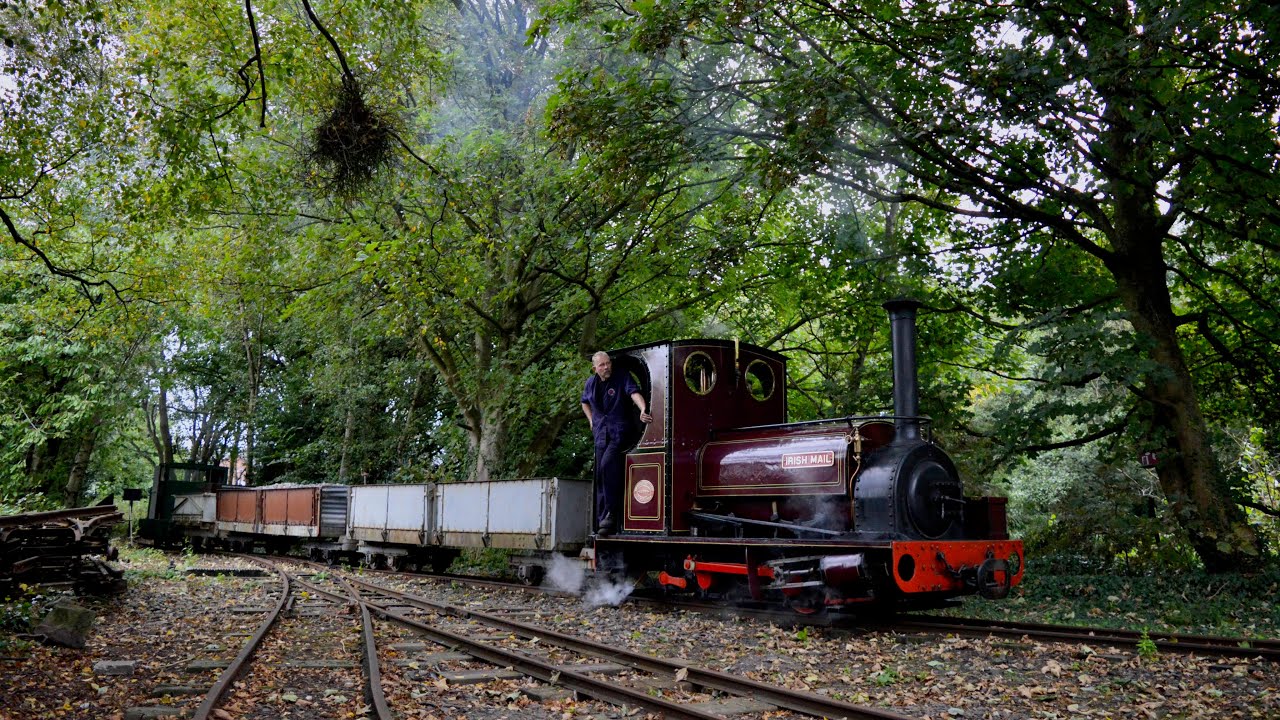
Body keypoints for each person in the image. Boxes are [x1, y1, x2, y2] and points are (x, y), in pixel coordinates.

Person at [581, 351, 652, 536]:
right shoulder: (591, 383)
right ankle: (602, 519)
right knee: (599, 476)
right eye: (602, 365)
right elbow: (584, 402)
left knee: (607, 465)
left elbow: (633, 392)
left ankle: (612, 514)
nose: (606, 367)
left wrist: (643, 408)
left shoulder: (622, 376)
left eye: (608, 363)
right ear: (595, 368)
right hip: (600, 434)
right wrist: (590, 420)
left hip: (619, 432)